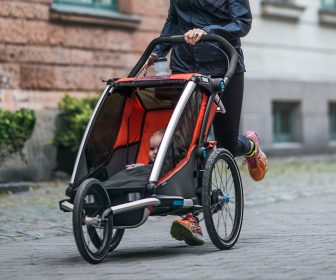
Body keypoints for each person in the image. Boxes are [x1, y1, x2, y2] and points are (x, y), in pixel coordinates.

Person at [148, 0, 268, 246]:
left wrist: (209, 32)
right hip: (184, 67)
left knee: (227, 145)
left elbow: (242, 23)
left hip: (224, 64)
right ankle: (191, 216)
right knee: (187, 141)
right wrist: (159, 51)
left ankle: (249, 145)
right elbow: (174, 19)